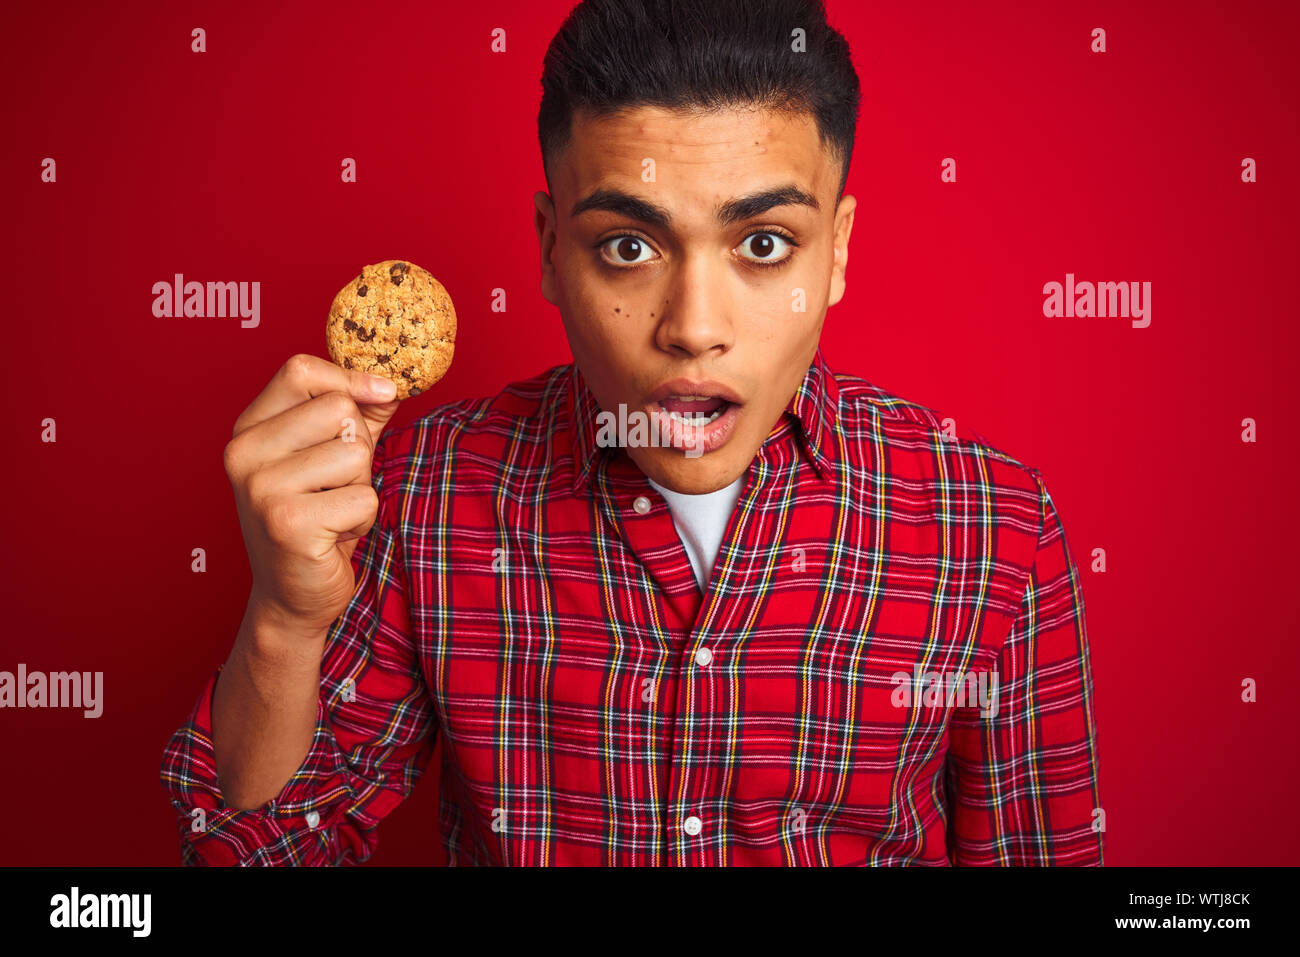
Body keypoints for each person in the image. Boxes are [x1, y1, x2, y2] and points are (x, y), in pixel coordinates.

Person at [160, 0, 1102, 866]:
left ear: (839, 252)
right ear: (549, 250)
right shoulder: (422, 492)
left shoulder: (995, 531)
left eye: (764, 244)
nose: (692, 326)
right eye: (629, 246)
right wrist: (286, 620)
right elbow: (259, 853)